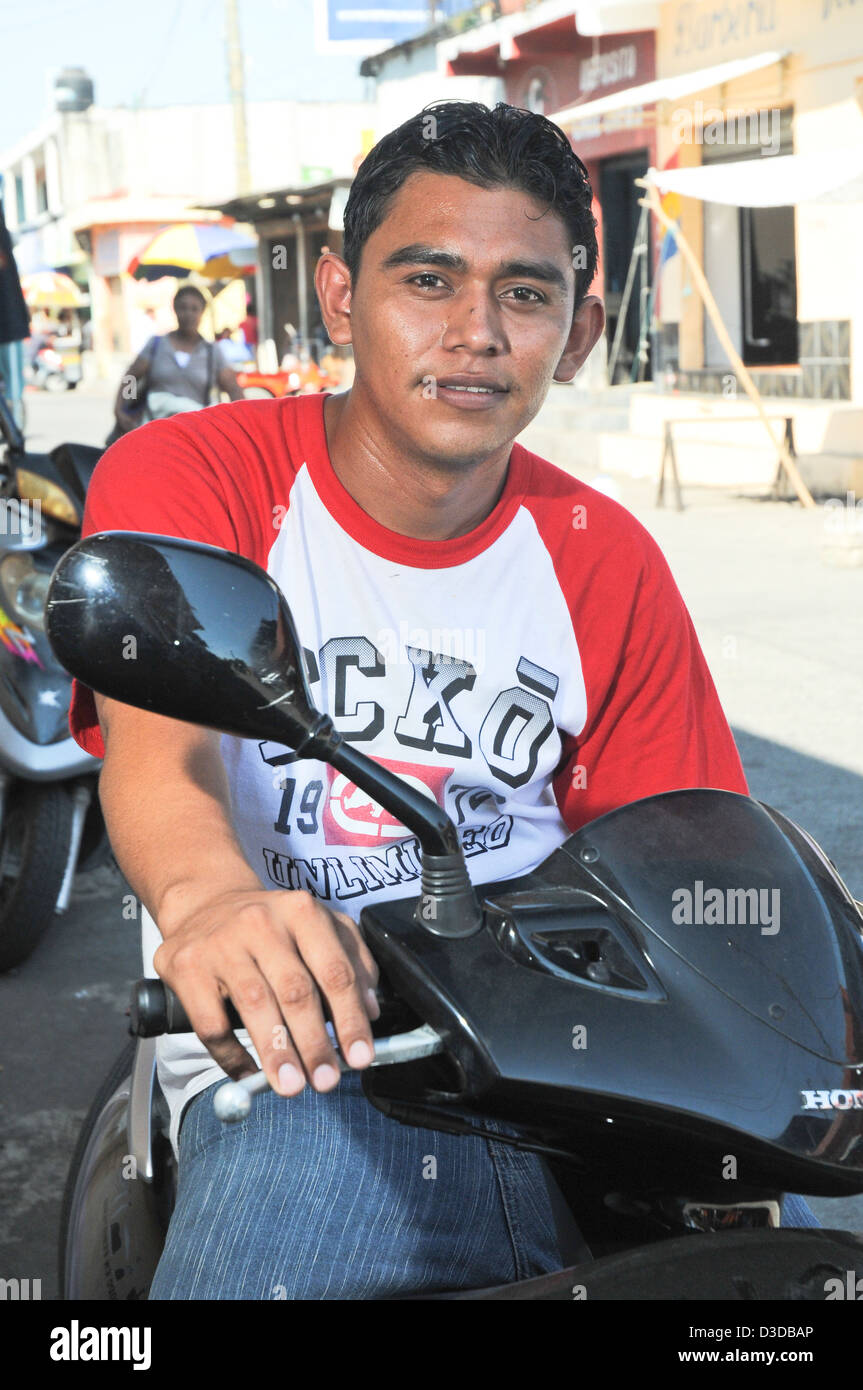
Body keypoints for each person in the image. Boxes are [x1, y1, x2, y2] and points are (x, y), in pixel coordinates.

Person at [67, 102, 816, 1301]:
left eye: (524, 293)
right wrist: (214, 903)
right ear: (339, 296)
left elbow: (687, 854)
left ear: (574, 333)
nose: (475, 332)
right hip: (305, 1056)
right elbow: (161, 756)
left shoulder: (603, 555)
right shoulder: (197, 475)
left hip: (564, 1069)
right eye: (429, 277)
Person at [111, 285, 243, 440]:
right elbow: (132, 377)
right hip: (154, 432)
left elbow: (233, 389)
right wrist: (121, 410)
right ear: (175, 310)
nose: (188, 314)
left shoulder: (212, 352)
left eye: (194, 309)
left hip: (193, 435)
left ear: (202, 313)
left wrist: (238, 424)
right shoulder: (156, 345)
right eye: (183, 308)